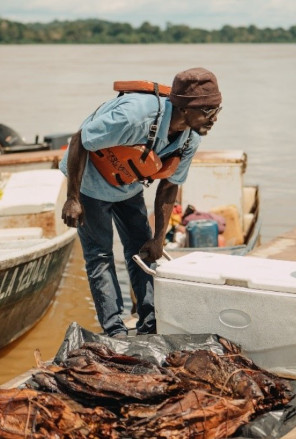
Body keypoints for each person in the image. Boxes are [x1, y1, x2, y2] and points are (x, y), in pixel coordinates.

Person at [60, 67, 222, 338]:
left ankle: (150, 325)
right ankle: (115, 331)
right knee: (99, 255)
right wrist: (73, 198)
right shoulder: (134, 116)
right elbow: (80, 140)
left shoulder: (191, 138)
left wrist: (159, 237)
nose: (214, 118)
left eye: (218, 109)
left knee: (143, 251)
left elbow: (169, 187)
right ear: (184, 110)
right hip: (88, 183)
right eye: (208, 111)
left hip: (127, 183)